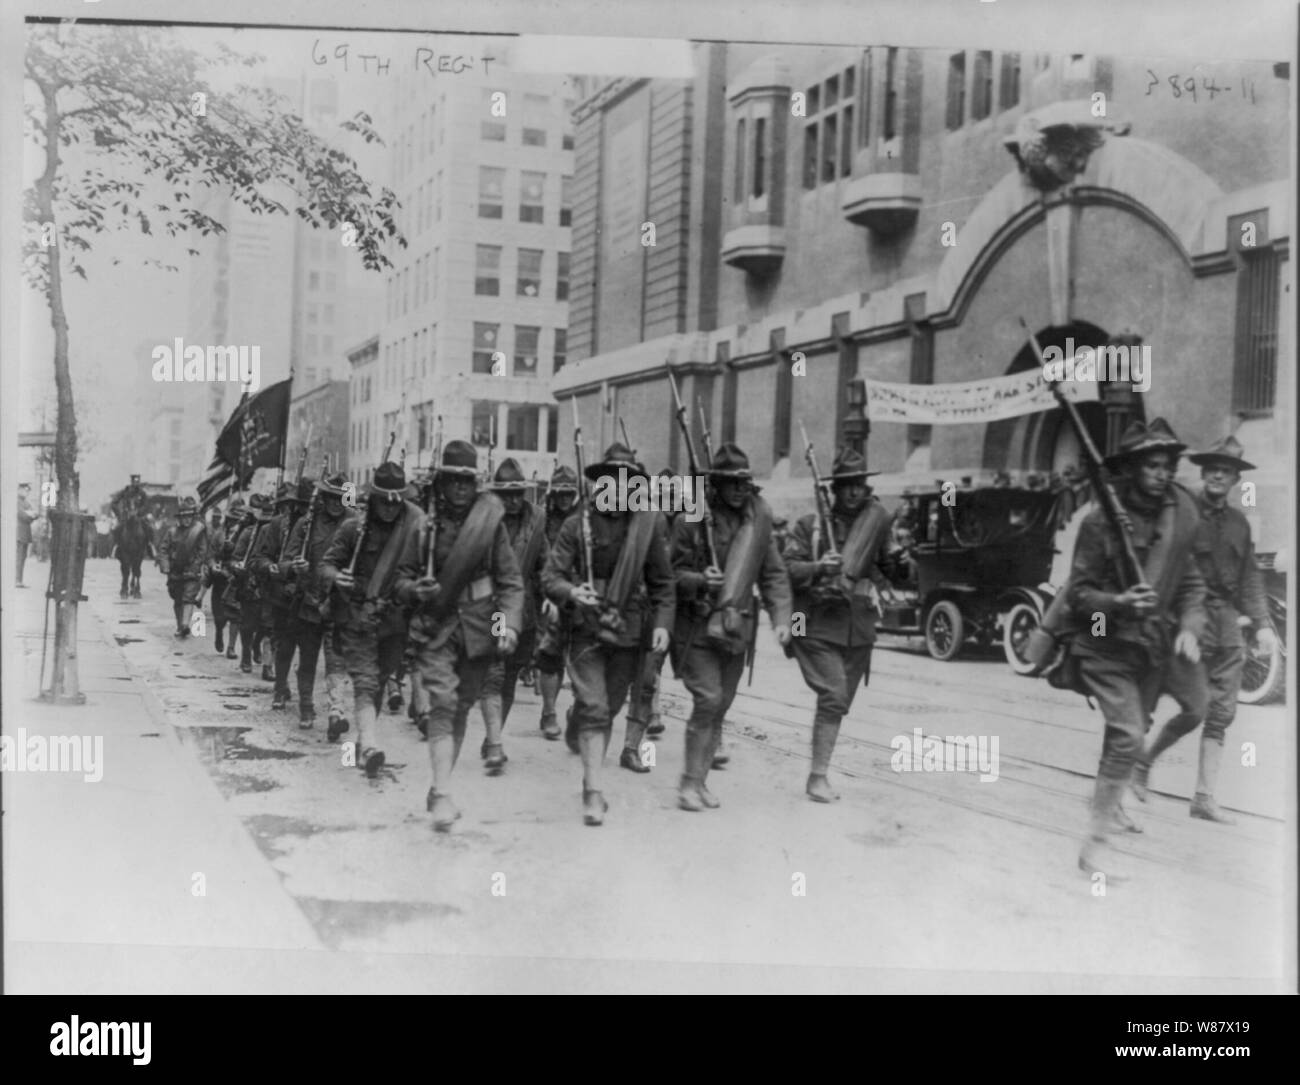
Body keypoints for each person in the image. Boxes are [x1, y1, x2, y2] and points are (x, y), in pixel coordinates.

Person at [1066, 418, 1207, 881]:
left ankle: (1109, 809)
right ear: (1129, 469)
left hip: (1149, 649)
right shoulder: (1098, 521)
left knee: (1129, 734)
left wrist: (1189, 624)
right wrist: (1120, 604)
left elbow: (1190, 582)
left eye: (1168, 465)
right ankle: (1094, 851)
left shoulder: (1175, 516)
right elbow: (1081, 597)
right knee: (1128, 734)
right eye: (1152, 465)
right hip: (1103, 643)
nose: (1163, 474)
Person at [1132, 435, 1276, 825]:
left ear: (1234, 479)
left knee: (1222, 712)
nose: (1217, 475)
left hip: (1227, 626)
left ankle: (1204, 797)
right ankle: (1137, 764)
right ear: (1203, 471)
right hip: (1185, 620)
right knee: (1168, 703)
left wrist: (1262, 625)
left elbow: (1249, 578)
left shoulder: (1239, 524)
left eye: (1225, 471)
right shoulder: (1182, 512)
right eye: (1211, 468)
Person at [541, 443, 674, 826]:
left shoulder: (648, 525)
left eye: (628, 480)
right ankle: (593, 790)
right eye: (611, 480)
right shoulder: (575, 524)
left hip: (630, 632)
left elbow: (663, 582)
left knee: (608, 706)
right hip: (585, 630)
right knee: (598, 708)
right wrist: (571, 592)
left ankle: (577, 721)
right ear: (600, 483)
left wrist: (663, 624)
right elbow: (551, 576)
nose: (619, 486)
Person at [394, 440, 523, 828]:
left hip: (480, 628)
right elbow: (401, 579)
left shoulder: (490, 525)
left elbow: (510, 583)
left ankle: (439, 786)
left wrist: (507, 627)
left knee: (463, 706)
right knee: (444, 704)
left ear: (476, 485)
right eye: (453, 481)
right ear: (443, 482)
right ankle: (444, 792)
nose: (460, 489)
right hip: (437, 627)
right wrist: (416, 591)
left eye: (467, 482)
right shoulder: (424, 526)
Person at [670, 443, 791, 809]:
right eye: (733, 483)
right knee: (707, 699)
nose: (741, 489)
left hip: (737, 628)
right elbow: (665, 576)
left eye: (745, 482)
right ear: (716, 485)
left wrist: (784, 620)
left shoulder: (756, 525)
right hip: (696, 627)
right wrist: (697, 580)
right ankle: (688, 784)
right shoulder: (690, 519)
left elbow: (773, 575)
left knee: (720, 705)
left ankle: (701, 780)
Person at [783, 446, 901, 803]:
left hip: (858, 627)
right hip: (811, 623)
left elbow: (889, 571)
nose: (854, 491)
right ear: (834, 489)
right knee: (833, 695)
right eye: (847, 485)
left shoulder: (875, 524)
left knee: (838, 703)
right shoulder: (810, 525)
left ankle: (819, 773)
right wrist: (820, 566)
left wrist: (901, 560)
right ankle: (817, 778)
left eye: (859, 484)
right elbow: (785, 569)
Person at [320, 462, 421, 777]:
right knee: (365, 680)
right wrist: (339, 577)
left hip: (394, 620)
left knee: (379, 681)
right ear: (374, 498)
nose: (390, 508)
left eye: (396, 501)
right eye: (384, 501)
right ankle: (369, 746)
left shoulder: (413, 533)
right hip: (358, 616)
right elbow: (326, 565)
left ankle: (365, 742)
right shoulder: (354, 529)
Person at [475, 458, 548, 769]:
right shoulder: (484, 522)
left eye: (518, 493)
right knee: (495, 672)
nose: (514, 500)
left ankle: (494, 734)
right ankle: (495, 743)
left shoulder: (537, 523)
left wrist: (551, 597)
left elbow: (545, 564)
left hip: (526, 611)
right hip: (494, 609)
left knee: (511, 675)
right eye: (507, 495)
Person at [283, 473, 356, 737]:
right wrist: (294, 566)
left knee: (337, 661)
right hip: (309, 603)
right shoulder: (306, 525)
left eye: (340, 498)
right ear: (323, 498)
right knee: (308, 659)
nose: (336, 503)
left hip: (339, 603)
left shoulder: (355, 524)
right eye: (331, 498)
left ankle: (336, 712)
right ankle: (305, 705)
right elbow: (285, 561)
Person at [251, 480, 313, 708]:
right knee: (284, 644)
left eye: (306, 505)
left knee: (307, 650)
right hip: (280, 595)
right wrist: (270, 567)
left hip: (308, 596)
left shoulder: (315, 526)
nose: (297, 509)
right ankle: (280, 687)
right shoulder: (274, 526)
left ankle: (305, 698)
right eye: (291, 505)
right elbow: (258, 558)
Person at [534, 465, 579, 741]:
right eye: (560, 493)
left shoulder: (585, 517)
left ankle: (579, 708)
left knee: (582, 657)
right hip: (549, 591)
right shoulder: (543, 517)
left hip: (579, 592)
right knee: (550, 654)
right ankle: (549, 711)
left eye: (569, 493)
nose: (563, 498)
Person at [157, 496, 209, 639]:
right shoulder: (171, 532)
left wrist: (195, 566)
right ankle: (180, 625)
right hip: (175, 571)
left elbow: (202, 552)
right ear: (180, 517)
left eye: (189, 516)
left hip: (191, 571)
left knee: (188, 597)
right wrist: (165, 566)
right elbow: (163, 550)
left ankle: (185, 625)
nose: (187, 519)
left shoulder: (198, 532)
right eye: (184, 517)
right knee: (177, 599)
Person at [203, 508, 232, 655]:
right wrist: (213, 565)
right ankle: (219, 630)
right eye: (232, 519)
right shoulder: (218, 534)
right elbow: (210, 555)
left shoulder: (247, 533)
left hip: (234, 577)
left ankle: (232, 646)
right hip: (219, 576)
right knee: (219, 612)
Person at [16, 482, 35, 587]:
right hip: (19, 533)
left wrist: (30, 515)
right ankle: (16, 580)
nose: (26, 492)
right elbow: (23, 515)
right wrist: (30, 515)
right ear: (19, 490)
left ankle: (19, 580)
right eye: (25, 490)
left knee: (22, 558)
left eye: (28, 491)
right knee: (18, 558)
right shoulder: (17, 501)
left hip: (25, 534)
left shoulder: (26, 503)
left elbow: (34, 514)